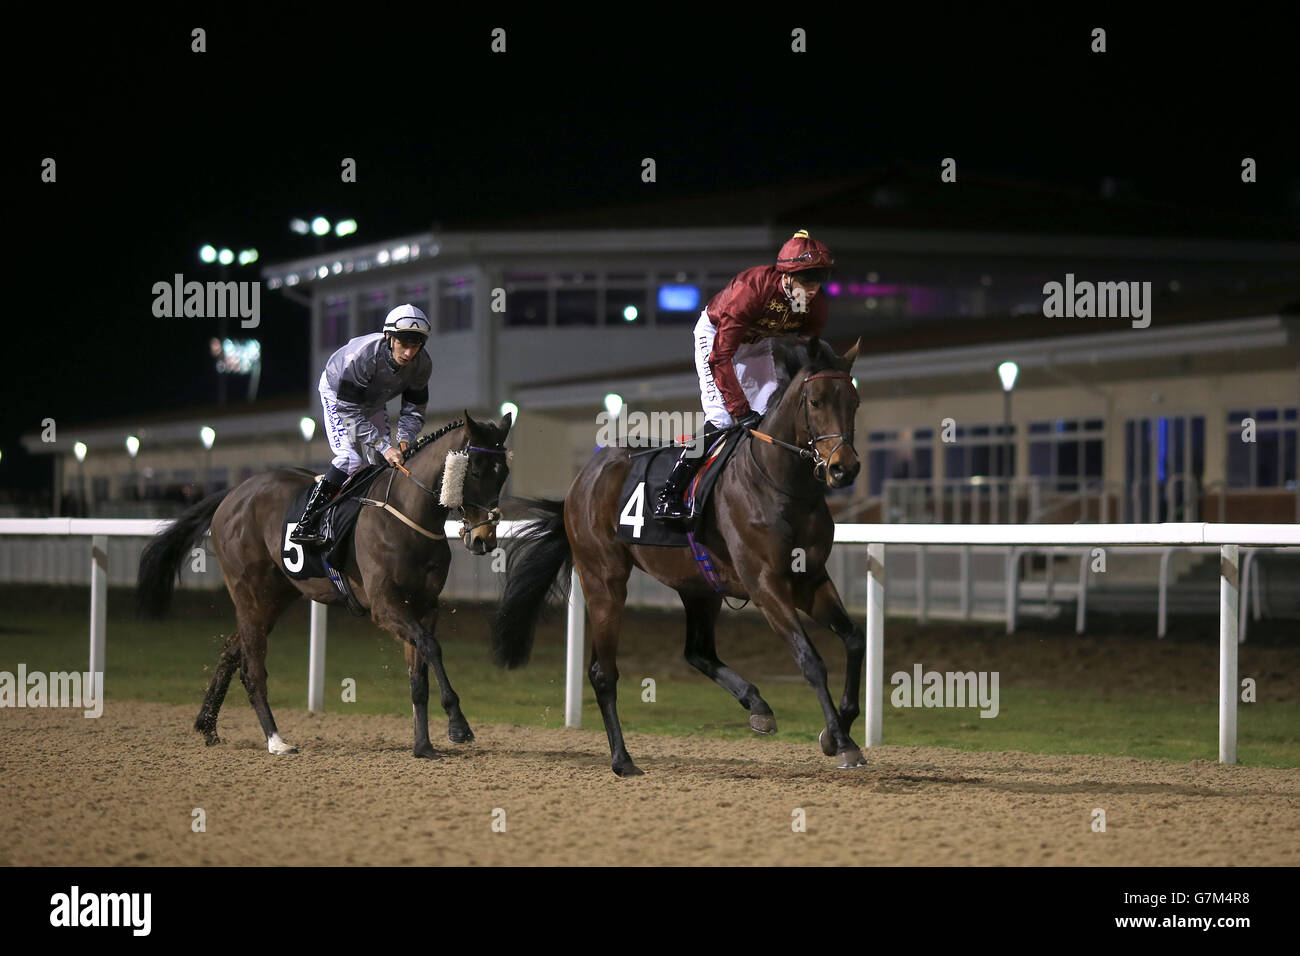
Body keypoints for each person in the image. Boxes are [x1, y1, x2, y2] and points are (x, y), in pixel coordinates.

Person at [652, 229, 835, 523]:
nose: (813, 289)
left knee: (768, 414)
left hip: (758, 343)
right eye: (806, 279)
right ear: (785, 276)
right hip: (716, 339)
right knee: (723, 418)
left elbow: (806, 351)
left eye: (818, 280)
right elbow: (720, 357)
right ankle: (670, 493)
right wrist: (739, 409)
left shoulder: (817, 304)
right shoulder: (751, 290)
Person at [290, 303, 433, 545]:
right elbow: (348, 412)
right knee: (350, 459)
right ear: (389, 337)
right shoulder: (364, 356)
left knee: (381, 462)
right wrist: (384, 444)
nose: (409, 353)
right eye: (403, 344)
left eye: (416, 345)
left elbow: (414, 409)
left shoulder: (422, 365)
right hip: (339, 397)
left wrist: (405, 439)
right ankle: (307, 522)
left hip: (372, 400)